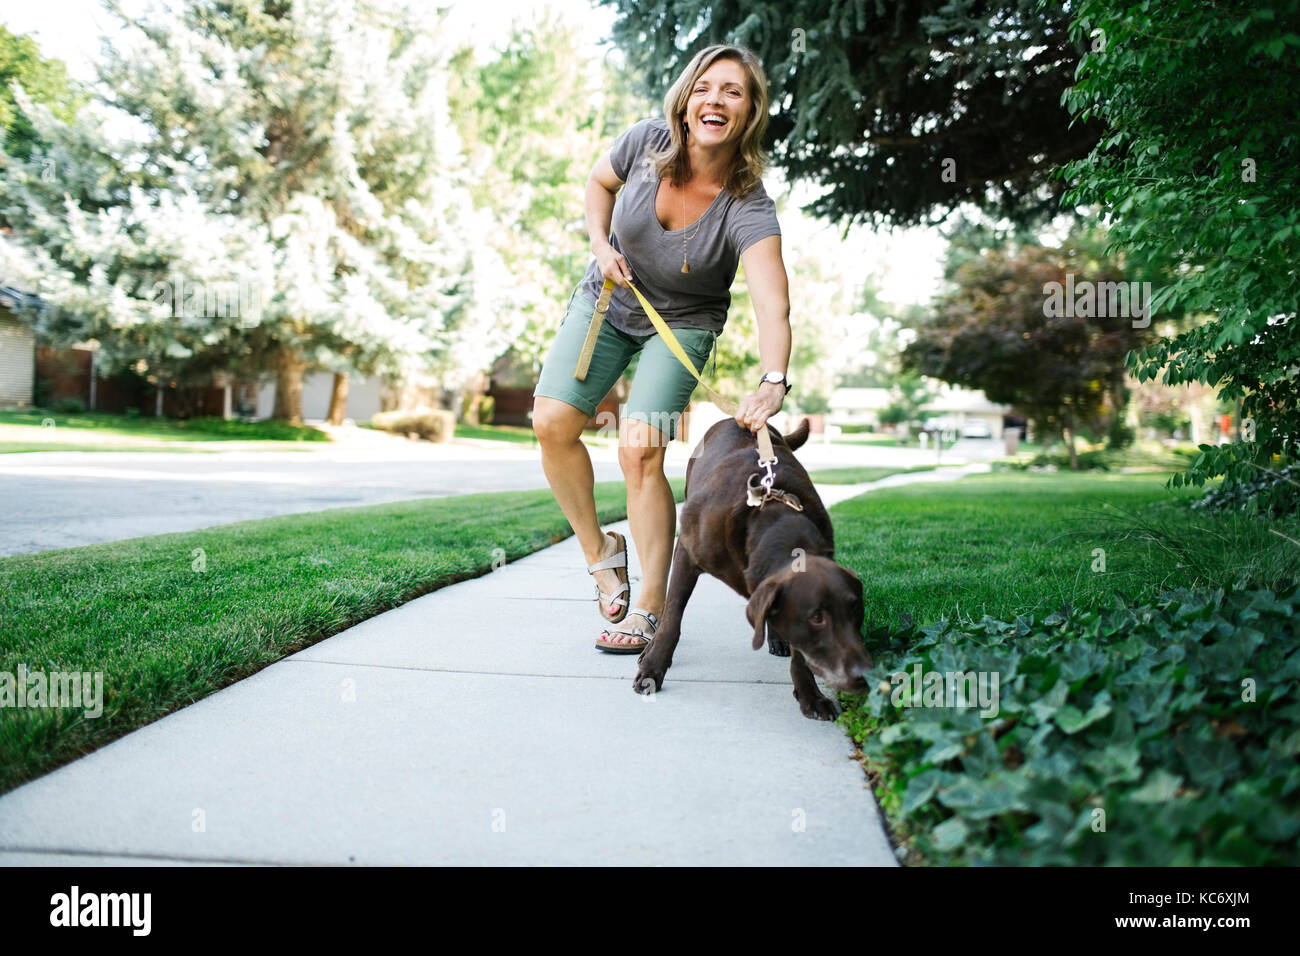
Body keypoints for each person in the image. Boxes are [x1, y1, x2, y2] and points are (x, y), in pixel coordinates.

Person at [531, 44, 792, 653]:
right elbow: (599, 183)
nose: (715, 100)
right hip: (607, 301)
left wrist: (773, 379)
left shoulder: (747, 205)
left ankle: (649, 604)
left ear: (749, 110)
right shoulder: (645, 143)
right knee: (551, 422)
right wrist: (600, 243)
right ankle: (601, 552)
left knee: (640, 449)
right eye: (705, 87)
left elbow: (771, 302)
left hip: (684, 324)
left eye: (733, 91)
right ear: (686, 96)